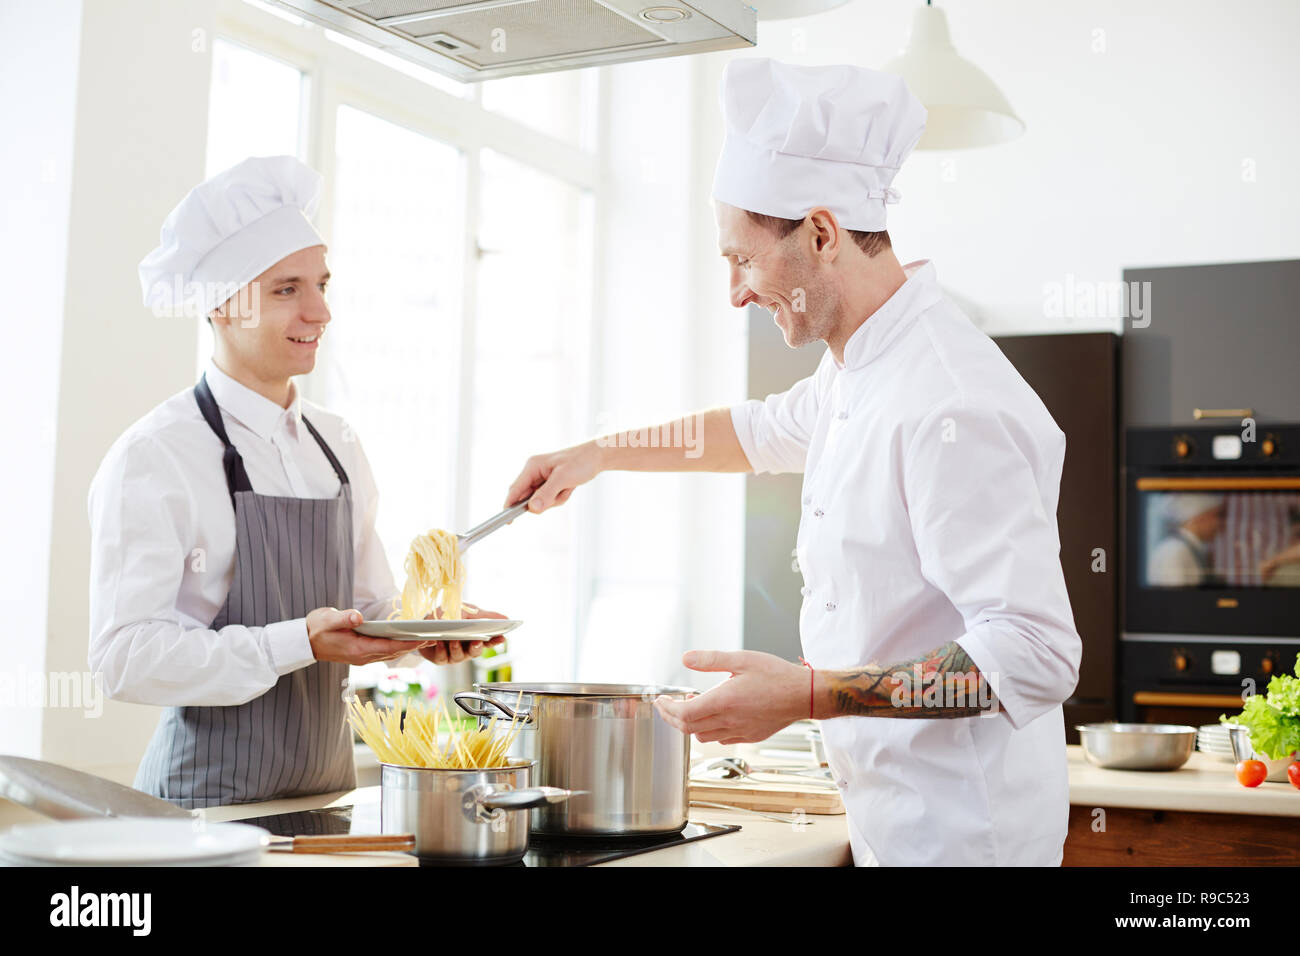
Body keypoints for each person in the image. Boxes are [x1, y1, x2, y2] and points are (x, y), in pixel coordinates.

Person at [505, 59, 1081, 866]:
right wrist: (597, 453)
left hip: (966, 840)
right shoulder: (863, 364)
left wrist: (808, 694)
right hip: (897, 824)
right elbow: (760, 430)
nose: (735, 292)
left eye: (742, 259)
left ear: (820, 232)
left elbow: (1035, 653)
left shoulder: (951, 401)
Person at [89, 156, 503, 809]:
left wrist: (426, 632)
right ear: (222, 305)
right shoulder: (158, 454)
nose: (321, 312)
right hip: (202, 812)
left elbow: (370, 610)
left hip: (322, 804)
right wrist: (296, 642)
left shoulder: (336, 446)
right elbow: (123, 657)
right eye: (287, 289)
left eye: (322, 284)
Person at [1147, 494, 1224, 586]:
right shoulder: (1175, 551)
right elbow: (1180, 598)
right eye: (1215, 516)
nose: (1219, 524)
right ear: (1199, 518)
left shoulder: (1192, 550)